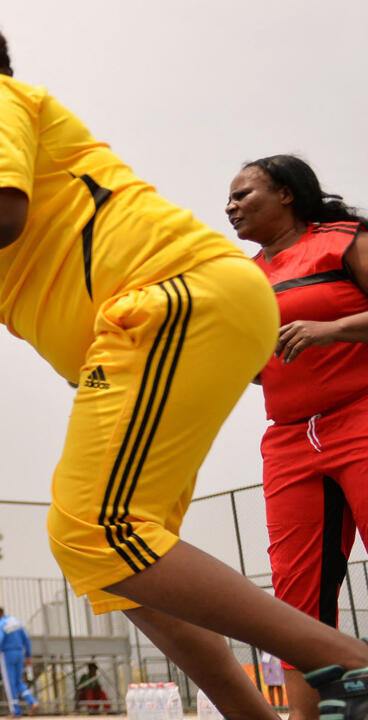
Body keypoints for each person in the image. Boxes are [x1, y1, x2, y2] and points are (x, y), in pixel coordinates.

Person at [0, 7, 368, 720]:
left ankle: (351, 663)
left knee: (92, 528)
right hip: (172, 318)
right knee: (118, 562)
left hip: (169, 295)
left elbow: (3, 212)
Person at [226, 155, 368, 720]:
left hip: (359, 415)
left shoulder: (341, 240)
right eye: (228, 201)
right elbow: (254, 363)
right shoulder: (244, 278)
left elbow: (316, 332)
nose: (231, 207)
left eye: (244, 194)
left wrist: (331, 329)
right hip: (289, 439)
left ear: (286, 193)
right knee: (294, 596)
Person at [0, 607, 37, 716]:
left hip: (7, 654)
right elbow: (26, 639)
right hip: (20, 653)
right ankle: (32, 701)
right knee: (19, 681)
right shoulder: (16, 621)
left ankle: (15, 710)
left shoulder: (0, 624)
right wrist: (28, 656)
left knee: (10, 682)